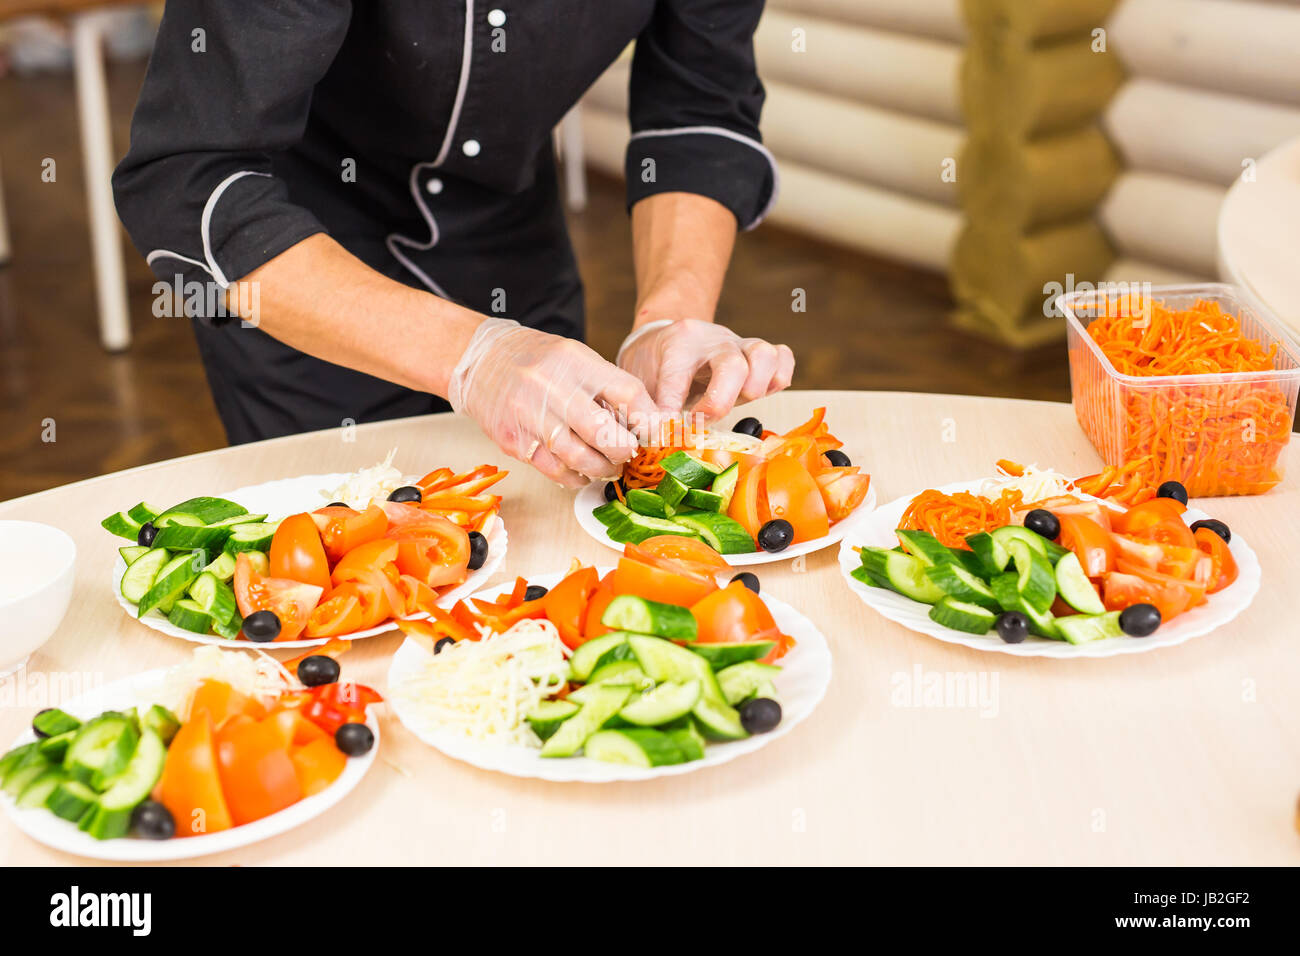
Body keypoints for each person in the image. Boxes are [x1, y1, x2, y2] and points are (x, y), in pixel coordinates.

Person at [112, 1, 794, 486]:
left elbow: (699, 109)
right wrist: (475, 357)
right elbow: (190, 179)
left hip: (510, 248)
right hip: (303, 262)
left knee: (544, 565)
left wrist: (670, 318)